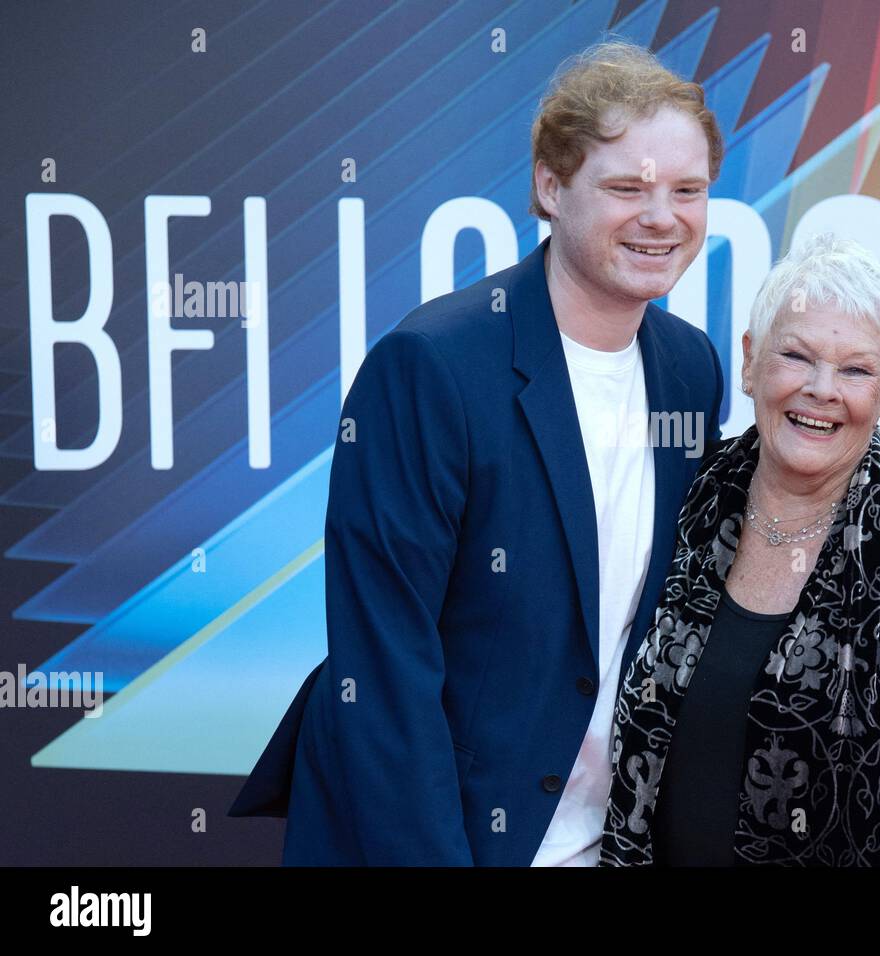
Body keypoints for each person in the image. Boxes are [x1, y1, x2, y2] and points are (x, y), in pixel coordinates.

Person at [228, 40, 726, 866]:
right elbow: (385, 669)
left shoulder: (690, 369)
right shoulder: (432, 367)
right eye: (627, 188)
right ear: (549, 184)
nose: (661, 216)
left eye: (687, 190)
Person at [600, 233, 880, 866]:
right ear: (750, 360)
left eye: (856, 369)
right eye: (796, 355)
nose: (821, 390)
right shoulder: (675, 521)